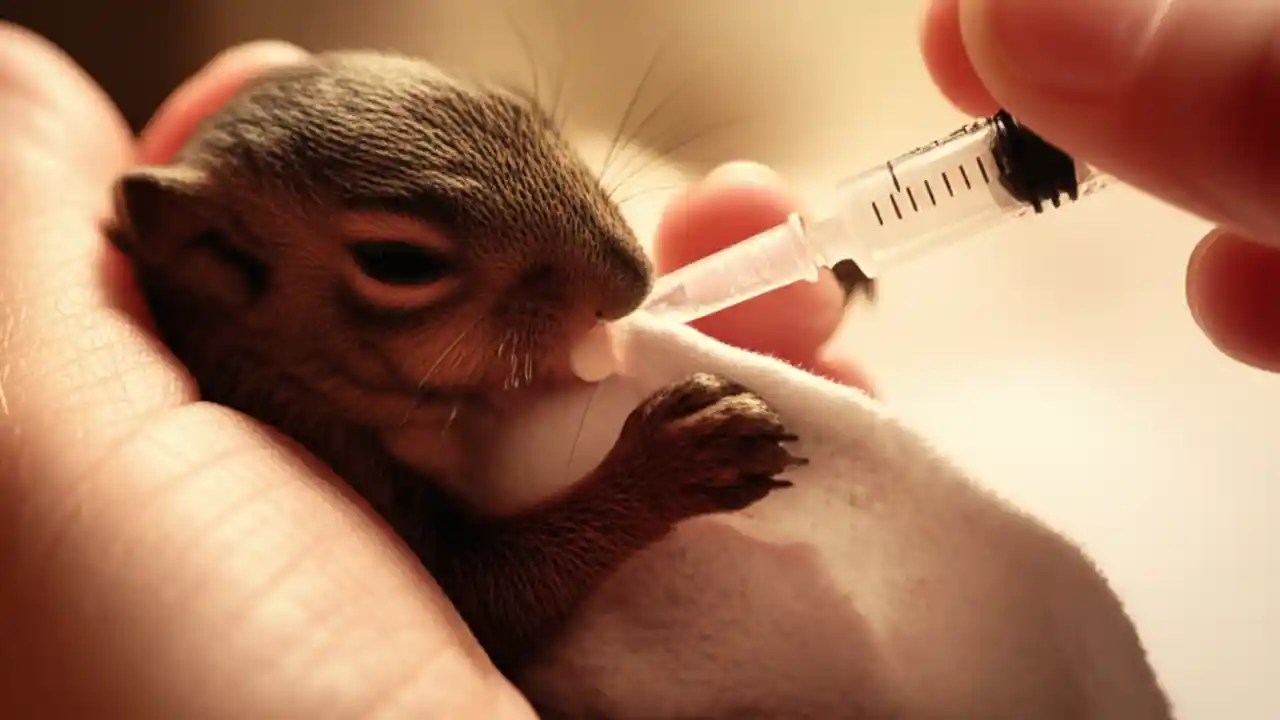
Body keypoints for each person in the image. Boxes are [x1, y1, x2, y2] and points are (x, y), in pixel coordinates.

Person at [0, 0, 1273, 715]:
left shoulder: (348, 372)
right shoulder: (273, 414)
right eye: (403, 261)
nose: (608, 279)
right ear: (224, 268)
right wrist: (632, 494)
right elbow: (475, 590)